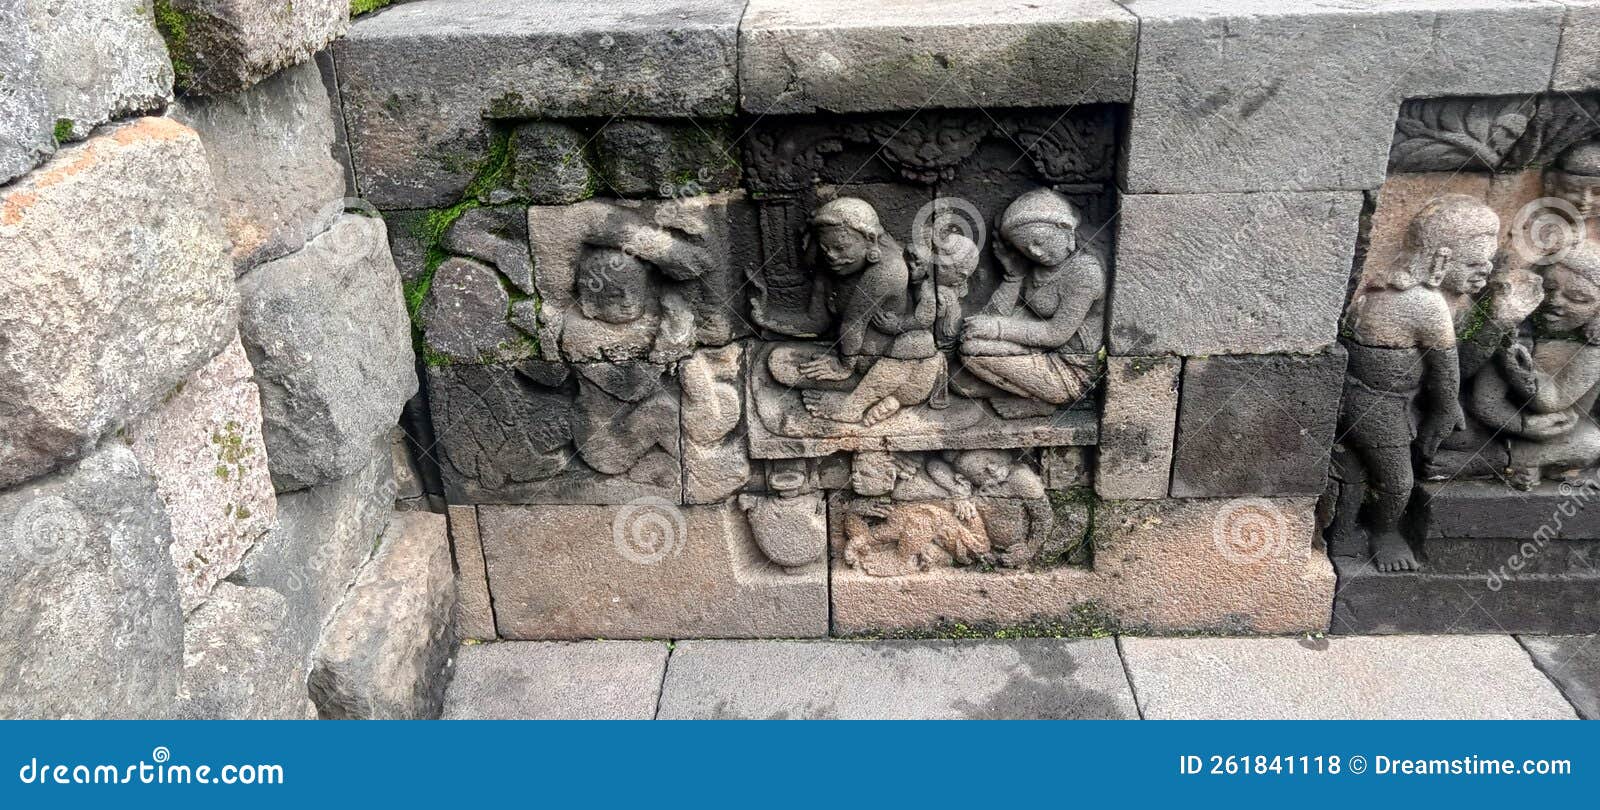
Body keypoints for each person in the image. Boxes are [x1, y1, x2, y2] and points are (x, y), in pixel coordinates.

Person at [1336, 195, 1498, 571]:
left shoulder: (1391, 288)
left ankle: (1352, 527)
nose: (1485, 271)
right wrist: (1444, 411)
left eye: (1488, 261)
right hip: (1378, 403)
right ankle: (1385, 532)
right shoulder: (1425, 303)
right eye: (1474, 263)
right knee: (1397, 482)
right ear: (1441, 259)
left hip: (1391, 399)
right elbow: (1447, 372)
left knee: (1372, 468)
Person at [952, 189, 1105, 419]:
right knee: (960, 372)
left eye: (1038, 241)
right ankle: (1026, 391)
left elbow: (1056, 334)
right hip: (1039, 351)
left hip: (1069, 369)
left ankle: (1041, 401)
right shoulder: (1040, 269)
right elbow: (997, 314)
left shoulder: (1085, 272)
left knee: (972, 351)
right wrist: (1013, 277)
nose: (1034, 251)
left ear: (1064, 228)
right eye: (1025, 248)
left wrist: (997, 329)